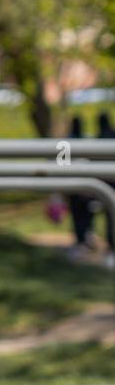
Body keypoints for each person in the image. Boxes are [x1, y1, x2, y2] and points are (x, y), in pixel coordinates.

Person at [67, 115, 95, 259]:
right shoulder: (89, 140)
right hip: (88, 186)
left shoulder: (66, 142)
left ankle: (81, 241)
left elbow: (61, 166)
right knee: (88, 214)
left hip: (74, 187)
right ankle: (87, 237)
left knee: (77, 215)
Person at [99, 111, 115, 268]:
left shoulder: (99, 138)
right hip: (107, 184)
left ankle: (111, 246)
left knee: (110, 217)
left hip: (106, 183)